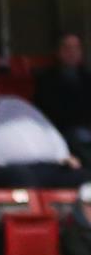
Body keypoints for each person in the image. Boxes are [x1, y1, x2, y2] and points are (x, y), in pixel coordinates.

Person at [35, 33, 91, 163]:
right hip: (61, 130)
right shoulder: (46, 80)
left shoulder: (87, 77)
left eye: (76, 48)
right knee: (81, 136)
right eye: (67, 48)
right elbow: (50, 112)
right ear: (58, 52)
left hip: (86, 127)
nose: (72, 52)